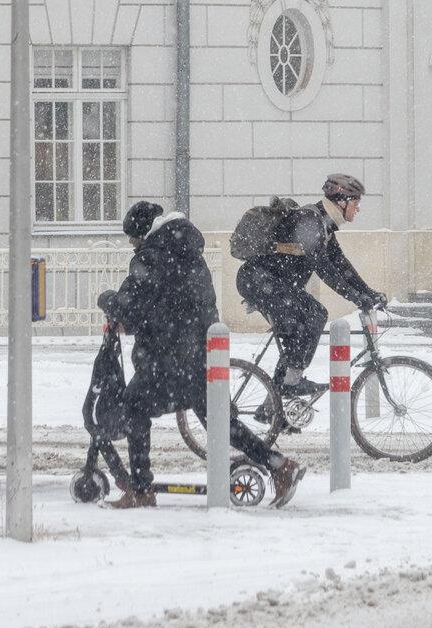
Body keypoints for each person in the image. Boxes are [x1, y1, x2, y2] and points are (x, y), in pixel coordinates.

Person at [97, 201, 304, 509]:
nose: (132, 244)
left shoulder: (153, 257)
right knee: (218, 421)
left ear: (145, 233)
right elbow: (168, 304)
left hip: (166, 360)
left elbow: (131, 305)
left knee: (134, 409)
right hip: (199, 355)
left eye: (133, 237)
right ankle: (279, 464)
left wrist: (106, 299)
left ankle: (140, 489)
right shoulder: (188, 252)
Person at [235, 173, 387, 399]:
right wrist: (356, 298)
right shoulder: (310, 219)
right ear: (341, 201)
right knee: (314, 315)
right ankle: (291, 384)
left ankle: (273, 408)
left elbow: (342, 266)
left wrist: (369, 293)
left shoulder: (323, 224)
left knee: (299, 328)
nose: (358, 209)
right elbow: (324, 268)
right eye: (355, 203)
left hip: (272, 283)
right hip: (259, 280)